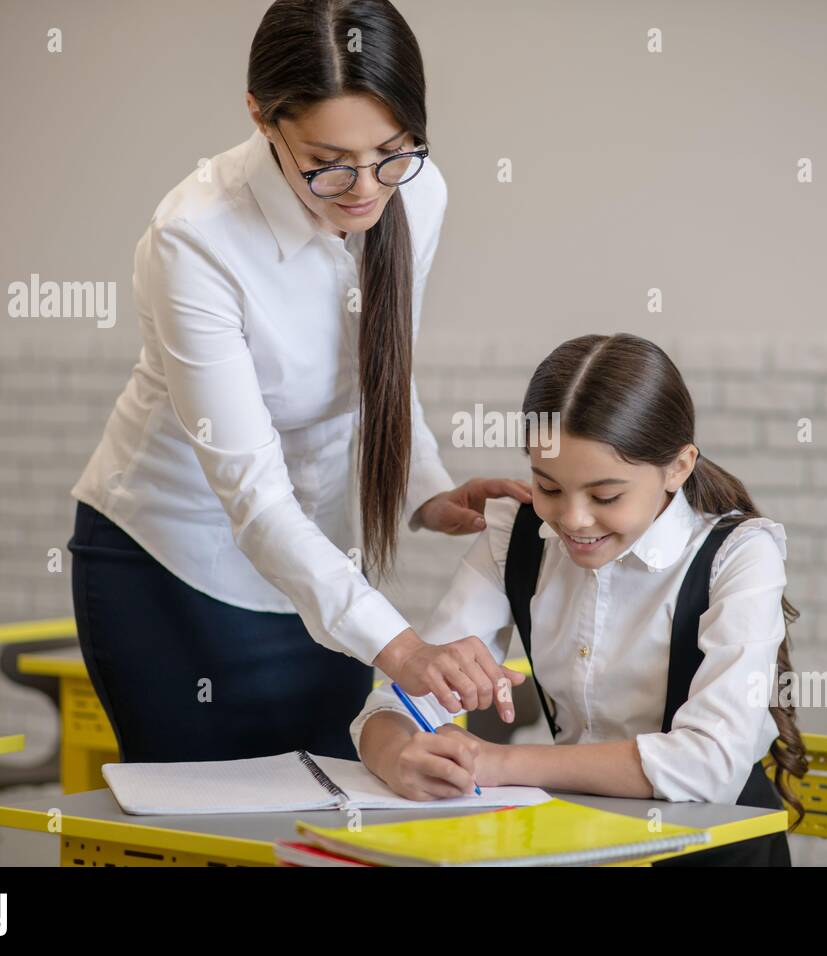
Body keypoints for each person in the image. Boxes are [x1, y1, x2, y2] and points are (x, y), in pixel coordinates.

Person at [67, 0, 526, 765]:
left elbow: (380, 367)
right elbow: (253, 497)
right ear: (260, 115)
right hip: (176, 565)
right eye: (328, 161)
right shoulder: (196, 238)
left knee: (329, 809)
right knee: (210, 831)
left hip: (322, 573)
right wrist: (401, 647)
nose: (364, 188)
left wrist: (426, 489)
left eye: (391, 149)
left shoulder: (418, 190)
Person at [351, 334, 809, 865]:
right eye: (548, 487)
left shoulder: (741, 555)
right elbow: (397, 702)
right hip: (579, 845)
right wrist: (398, 755)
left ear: (679, 467)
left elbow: (708, 765)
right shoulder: (513, 533)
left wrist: (495, 763)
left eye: (605, 496)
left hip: (717, 853)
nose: (572, 520)